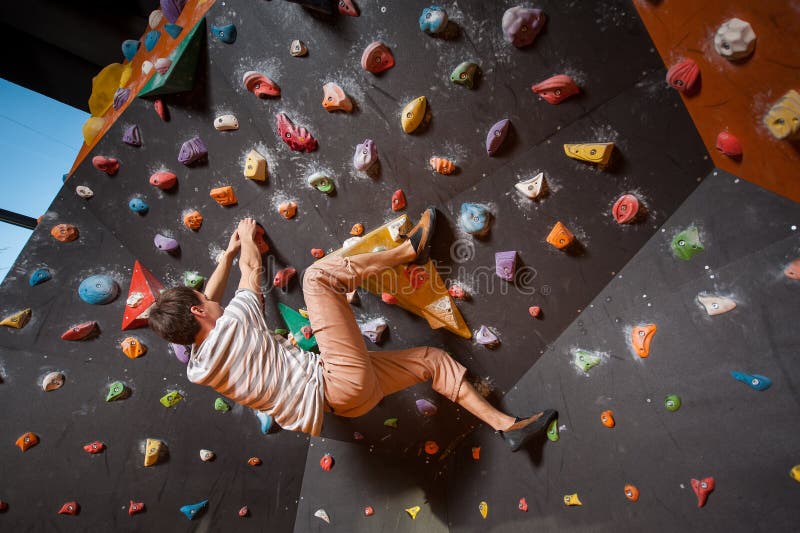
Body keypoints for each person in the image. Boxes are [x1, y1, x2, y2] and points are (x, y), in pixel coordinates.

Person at [148, 211, 556, 451]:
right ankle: (409, 250)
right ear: (199, 311)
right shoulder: (234, 323)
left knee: (433, 361)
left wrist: (227, 255)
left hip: (347, 405)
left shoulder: (199, 367)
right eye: (203, 302)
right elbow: (251, 269)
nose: (213, 300)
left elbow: (206, 301)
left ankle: (508, 428)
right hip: (336, 382)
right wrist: (245, 236)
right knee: (316, 279)